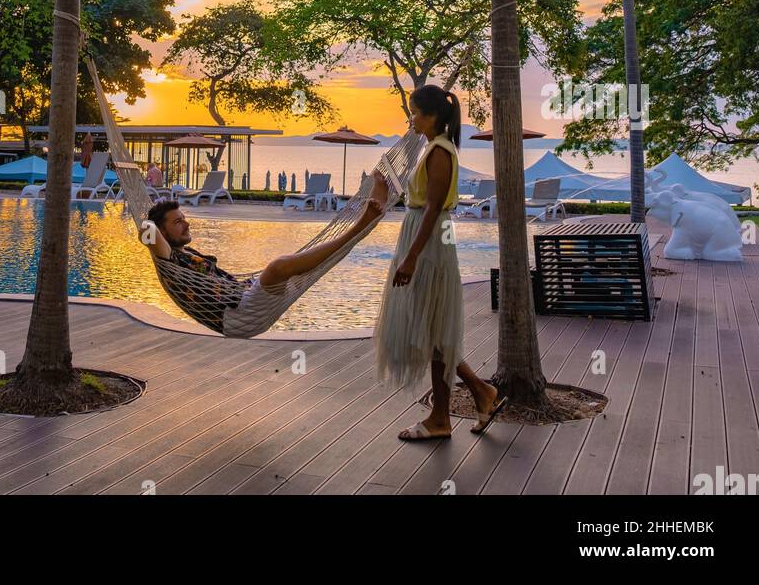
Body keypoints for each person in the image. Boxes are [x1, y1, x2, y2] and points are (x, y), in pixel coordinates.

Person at [374, 83, 506, 439]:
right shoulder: (433, 148)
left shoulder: (440, 152)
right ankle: (475, 395)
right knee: (433, 331)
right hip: (423, 238)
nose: (411, 118)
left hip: (429, 243)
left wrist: (411, 259)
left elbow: (433, 208)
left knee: (434, 330)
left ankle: (445, 415)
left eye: (416, 112)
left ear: (432, 116)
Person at [145, 174, 388, 337]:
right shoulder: (168, 257)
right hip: (238, 316)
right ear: (162, 231)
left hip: (244, 300)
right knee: (279, 267)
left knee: (298, 264)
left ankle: (364, 226)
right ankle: (360, 225)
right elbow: (147, 231)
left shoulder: (182, 252)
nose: (187, 225)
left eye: (184, 219)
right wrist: (145, 223)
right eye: (178, 222)